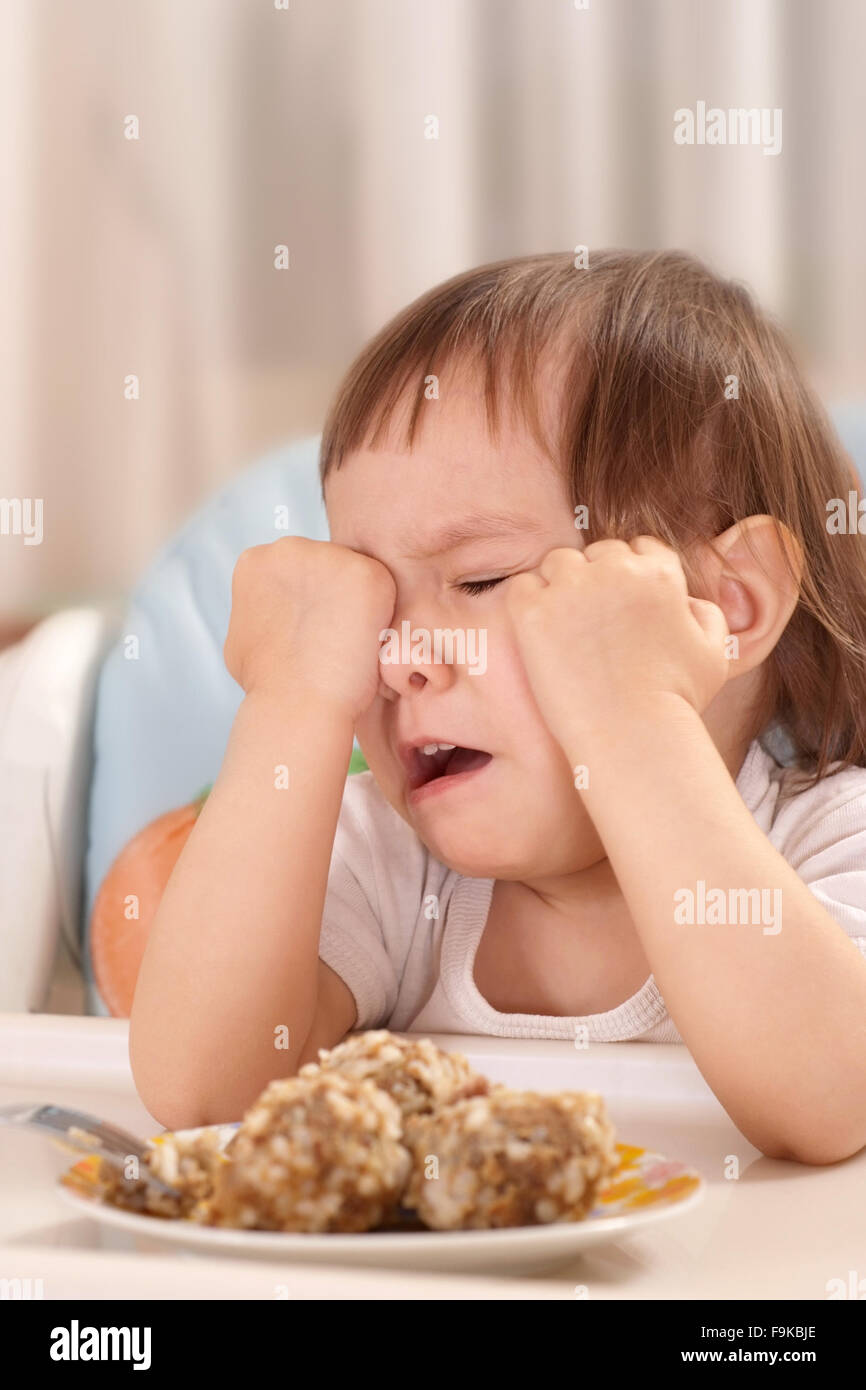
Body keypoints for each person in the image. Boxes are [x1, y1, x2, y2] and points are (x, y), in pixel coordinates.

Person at [130, 250, 866, 1163]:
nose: (399, 659)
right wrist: (291, 699)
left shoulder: (827, 840)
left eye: (481, 579)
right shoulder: (392, 868)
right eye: (371, 604)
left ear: (726, 606)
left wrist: (633, 720)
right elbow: (204, 1092)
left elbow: (833, 1100)